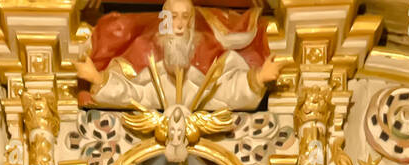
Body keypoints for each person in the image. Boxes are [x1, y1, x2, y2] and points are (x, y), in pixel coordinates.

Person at [76, 0, 278, 112]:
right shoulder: (145, 57)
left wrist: (258, 79)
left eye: (185, 17)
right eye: (173, 17)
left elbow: (224, 92)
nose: (179, 25)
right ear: (164, 21)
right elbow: (134, 95)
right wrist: (98, 79)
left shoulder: (209, 58)